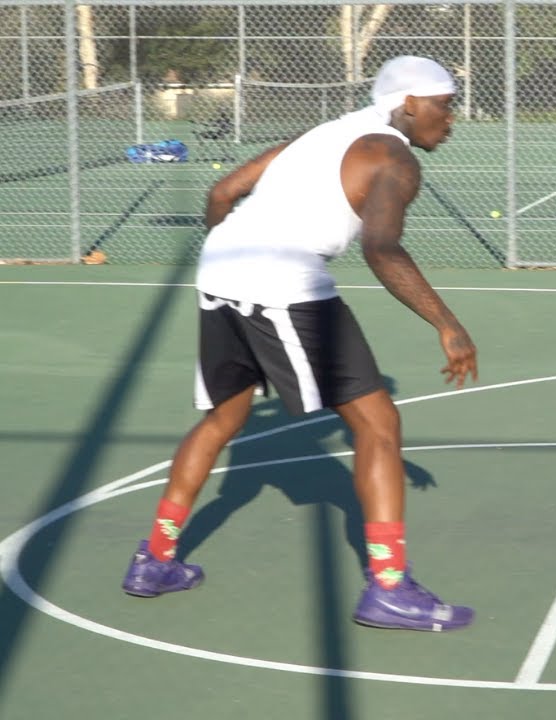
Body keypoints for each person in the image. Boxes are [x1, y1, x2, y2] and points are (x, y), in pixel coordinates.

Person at [120, 55, 478, 633]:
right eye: (446, 102)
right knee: (378, 424)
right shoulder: (392, 156)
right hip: (282, 282)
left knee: (221, 419)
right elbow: (382, 250)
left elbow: (222, 192)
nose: (451, 116)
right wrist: (447, 324)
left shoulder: (325, 132)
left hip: (220, 271)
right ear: (410, 104)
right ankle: (389, 587)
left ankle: (154, 561)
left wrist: (238, 255)